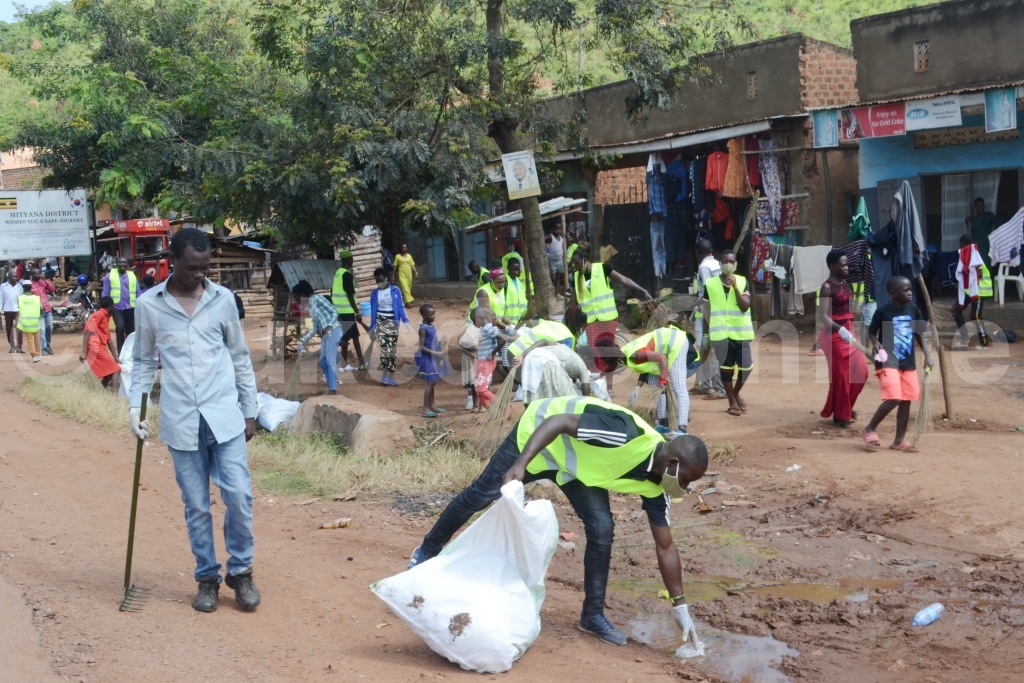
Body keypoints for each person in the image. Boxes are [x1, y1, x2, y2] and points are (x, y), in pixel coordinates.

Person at [408, 397, 709, 649]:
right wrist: (520, 463)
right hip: (538, 437)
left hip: (576, 467)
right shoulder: (625, 433)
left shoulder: (657, 487)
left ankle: (592, 616)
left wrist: (680, 607)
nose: (685, 488)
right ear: (672, 464)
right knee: (480, 495)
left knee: (602, 528)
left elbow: (665, 545)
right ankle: (425, 554)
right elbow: (559, 422)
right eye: (686, 480)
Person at [129, 228, 261, 613]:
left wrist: (250, 410)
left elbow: (239, 357)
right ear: (172, 262)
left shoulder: (223, 301)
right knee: (197, 506)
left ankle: (241, 571)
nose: (200, 275)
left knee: (238, 495)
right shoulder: (150, 305)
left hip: (224, 417)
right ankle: (207, 577)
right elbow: (141, 362)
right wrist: (134, 411)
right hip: (180, 420)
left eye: (205, 268)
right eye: (192, 268)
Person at [570, 242, 652, 397]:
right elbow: (574, 301)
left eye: (577, 263)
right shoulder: (576, 277)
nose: (575, 267)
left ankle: (609, 387)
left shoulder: (602, 269)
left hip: (607, 318)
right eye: (573, 265)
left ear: (584, 259)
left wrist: (642, 290)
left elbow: (624, 280)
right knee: (594, 352)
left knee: (608, 351)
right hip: (590, 321)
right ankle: (598, 385)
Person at [863, 276, 934, 452]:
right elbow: (872, 332)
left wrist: (927, 355)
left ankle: (899, 441)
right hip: (888, 360)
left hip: (908, 362)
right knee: (894, 398)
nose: (910, 293)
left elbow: (919, 335)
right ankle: (870, 428)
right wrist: (875, 343)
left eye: (910, 289)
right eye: (905, 290)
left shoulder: (913, 309)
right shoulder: (883, 311)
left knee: (906, 400)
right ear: (893, 293)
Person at [818, 250, 868, 428]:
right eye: (843, 265)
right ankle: (840, 416)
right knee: (841, 377)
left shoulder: (845, 283)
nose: (847, 267)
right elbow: (823, 316)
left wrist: (851, 329)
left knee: (861, 372)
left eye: (847, 264)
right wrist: (840, 330)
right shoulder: (827, 287)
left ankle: (846, 406)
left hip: (849, 332)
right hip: (834, 335)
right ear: (832, 266)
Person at [705, 250, 753, 417]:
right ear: (720, 264)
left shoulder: (742, 281)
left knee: (746, 367)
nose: (729, 264)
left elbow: (745, 305)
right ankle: (732, 402)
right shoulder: (710, 284)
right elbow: (706, 308)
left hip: (740, 333)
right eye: (726, 261)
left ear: (736, 264)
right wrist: (705, 334)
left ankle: (735, 393)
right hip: (720, 335)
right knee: (725, 370)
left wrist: (735, 287)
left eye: (732, 261)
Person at [621, 325, 692, 434]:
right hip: (664, 348)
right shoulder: (626, 352)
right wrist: (638, 387)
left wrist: (663, 381)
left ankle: (682, 429)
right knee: (654, 382)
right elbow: (648, 364)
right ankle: (663, 423)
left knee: (679, 386)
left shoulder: (634, 355)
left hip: (677, 344)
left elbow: (662, 358)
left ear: (619, 362)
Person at [692, 239, 726, 399]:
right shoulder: (718, 264)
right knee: (705, 349)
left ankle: (717, 388)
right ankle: (704, 384)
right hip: (717, 311)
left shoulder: (704, 267)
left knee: (707, 349)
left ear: (698, 253)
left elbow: (707, 292)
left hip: (707, 312)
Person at [510, 338, 591, 405]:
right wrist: (586, 406)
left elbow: (543, 341)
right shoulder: (582, 364)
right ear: (587, 358)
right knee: (568, 401)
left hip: (529, 358)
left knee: (533, 400)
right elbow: (586, 394)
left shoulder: (563, 347)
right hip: (549, 363)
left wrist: (522, 355)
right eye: (590, 362)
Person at [297, 293, 345, 395]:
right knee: (323, 362)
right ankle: (330, 385)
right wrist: (302, 341)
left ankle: (332, 389)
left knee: (329, 361)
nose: (296, 298)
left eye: (296, 296)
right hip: (325, 336)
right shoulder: (310, 308)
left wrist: (329, 326)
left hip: (334, 330)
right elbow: (314, 328)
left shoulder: (317, 298)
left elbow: (334, 311)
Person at [369, 267, 410, 387]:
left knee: (392, 350)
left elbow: (400, 306)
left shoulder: (395, 290)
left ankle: (391, 377)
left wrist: (405, 320)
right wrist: (372, 326)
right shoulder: (375, 293)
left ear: (386, 278)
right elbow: (373, 311)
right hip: (381, 322)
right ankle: (384, 376)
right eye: (377, 281)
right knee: (384, 350)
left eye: (381, 280)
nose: (379, 283)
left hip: (393, 322)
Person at [951, 234, 992, 350]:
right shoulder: (964, 256)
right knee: (956, 310)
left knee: (976, 315)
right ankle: (965, 338)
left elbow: (979, 274)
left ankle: (984, 342)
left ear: (963, 244)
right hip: (969, 290)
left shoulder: (974, 255)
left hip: (979, 290)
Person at [331, 250, 365, 371]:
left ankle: (362, 363)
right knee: (345, 338)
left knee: (355, 336)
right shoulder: (347, 275)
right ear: (348, 260)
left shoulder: (337, 273)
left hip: (340, 311)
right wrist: (357, 311)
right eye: (351, 259)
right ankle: (344, 365)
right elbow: (350, 295)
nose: (352, 261)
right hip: (346, 311)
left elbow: (332, 292)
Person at [473, 307, 511, 410]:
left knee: (481, 389)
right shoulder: (485, 328)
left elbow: (503, 339)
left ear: (480, 318)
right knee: (479, 389)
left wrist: (492, 353)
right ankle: (492, 413)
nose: (473, 324)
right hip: (482, 362)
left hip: (486, 362)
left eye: (474, 321)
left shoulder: (488, 328)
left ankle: (504, 408)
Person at [79, 295, 121, 391]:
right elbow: (88, 331)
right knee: (116, 369)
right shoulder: (99, 315)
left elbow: (109, 340)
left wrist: (115, 357)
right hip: (95, 347)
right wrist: (84, 351)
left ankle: (100, 391)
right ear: (112, 306)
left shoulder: (106, 316)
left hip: (99, 347)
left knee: (110, 371)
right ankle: (114, 396)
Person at [415, 304, 449, 417]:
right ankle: (425, 408)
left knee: (433, 382)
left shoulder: (430, 325)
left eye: (434, 313)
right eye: (431, 314)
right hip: (427, 358)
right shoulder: (423, 329)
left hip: (433, 357)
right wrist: (437, 353)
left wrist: (441, 343)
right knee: (430, 382)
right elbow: (422, 347)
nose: (434, 316)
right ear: (424, 315)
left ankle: (432, 405)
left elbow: (432, 342)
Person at [102, 256, 139, 353]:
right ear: (116, 264)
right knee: (120, 327)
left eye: (124, 262)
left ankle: (130, 352)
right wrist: (105, 308)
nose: (122, 264)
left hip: (131, 306)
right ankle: (121, 352)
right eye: (120, 262)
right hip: (117, 307)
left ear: (127, 264)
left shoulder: (132, 276)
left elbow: (137, 291)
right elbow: (105, 293)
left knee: (130, 330)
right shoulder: (109, 276)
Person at [965, 198, 998, 268]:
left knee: (987, 266)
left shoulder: (989, 215)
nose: (980, 207)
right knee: (977, 268)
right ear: (974, 207)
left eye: (982, 205)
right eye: (978, 205)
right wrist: (967, 222)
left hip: (986, 246)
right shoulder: (973, 219)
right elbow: (971, 233)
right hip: (976, 246)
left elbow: (998, 224)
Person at [30, 267, 56, 355]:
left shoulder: (43, 282)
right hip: (38, 310)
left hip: (47, 308)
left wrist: (46, 280)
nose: (38, 275)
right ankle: (43, 348)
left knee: (50, 328)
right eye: (36, 274)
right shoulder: (30, 285)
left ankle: (48, 345)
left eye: (39, 273)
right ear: (32, 275)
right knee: (42, 330)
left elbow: (52, 289)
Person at [17, 281, 42, 363]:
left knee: (30, 339)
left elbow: (19, 308)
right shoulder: (36, 298)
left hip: (26, 322)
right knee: (37, 339)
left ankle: (34, 355)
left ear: (23, 288)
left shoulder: (20, 298)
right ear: (31, 287)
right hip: (35, 321)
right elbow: (41, 308)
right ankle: (38, 354)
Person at [503, 258, 531, 326]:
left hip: (521, 323)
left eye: (517, 269)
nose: (516, 272)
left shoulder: (519, 282)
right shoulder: (505, 282)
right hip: (508, 323)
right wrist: (506, 321)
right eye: (513, 269)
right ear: (508, 268)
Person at [2, 270, 22, 353]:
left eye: (16, 276)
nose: (16, 278)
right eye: (14, 276)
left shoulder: (19, 286)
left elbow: (22, 299)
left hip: (18, 310)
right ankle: (12, 346)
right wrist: (0, 309)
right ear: (9, 277)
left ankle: (19, 347)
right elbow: (1, 298)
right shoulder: (3, 286)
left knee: (19, 329)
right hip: (7, 310)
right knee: (9, 329)